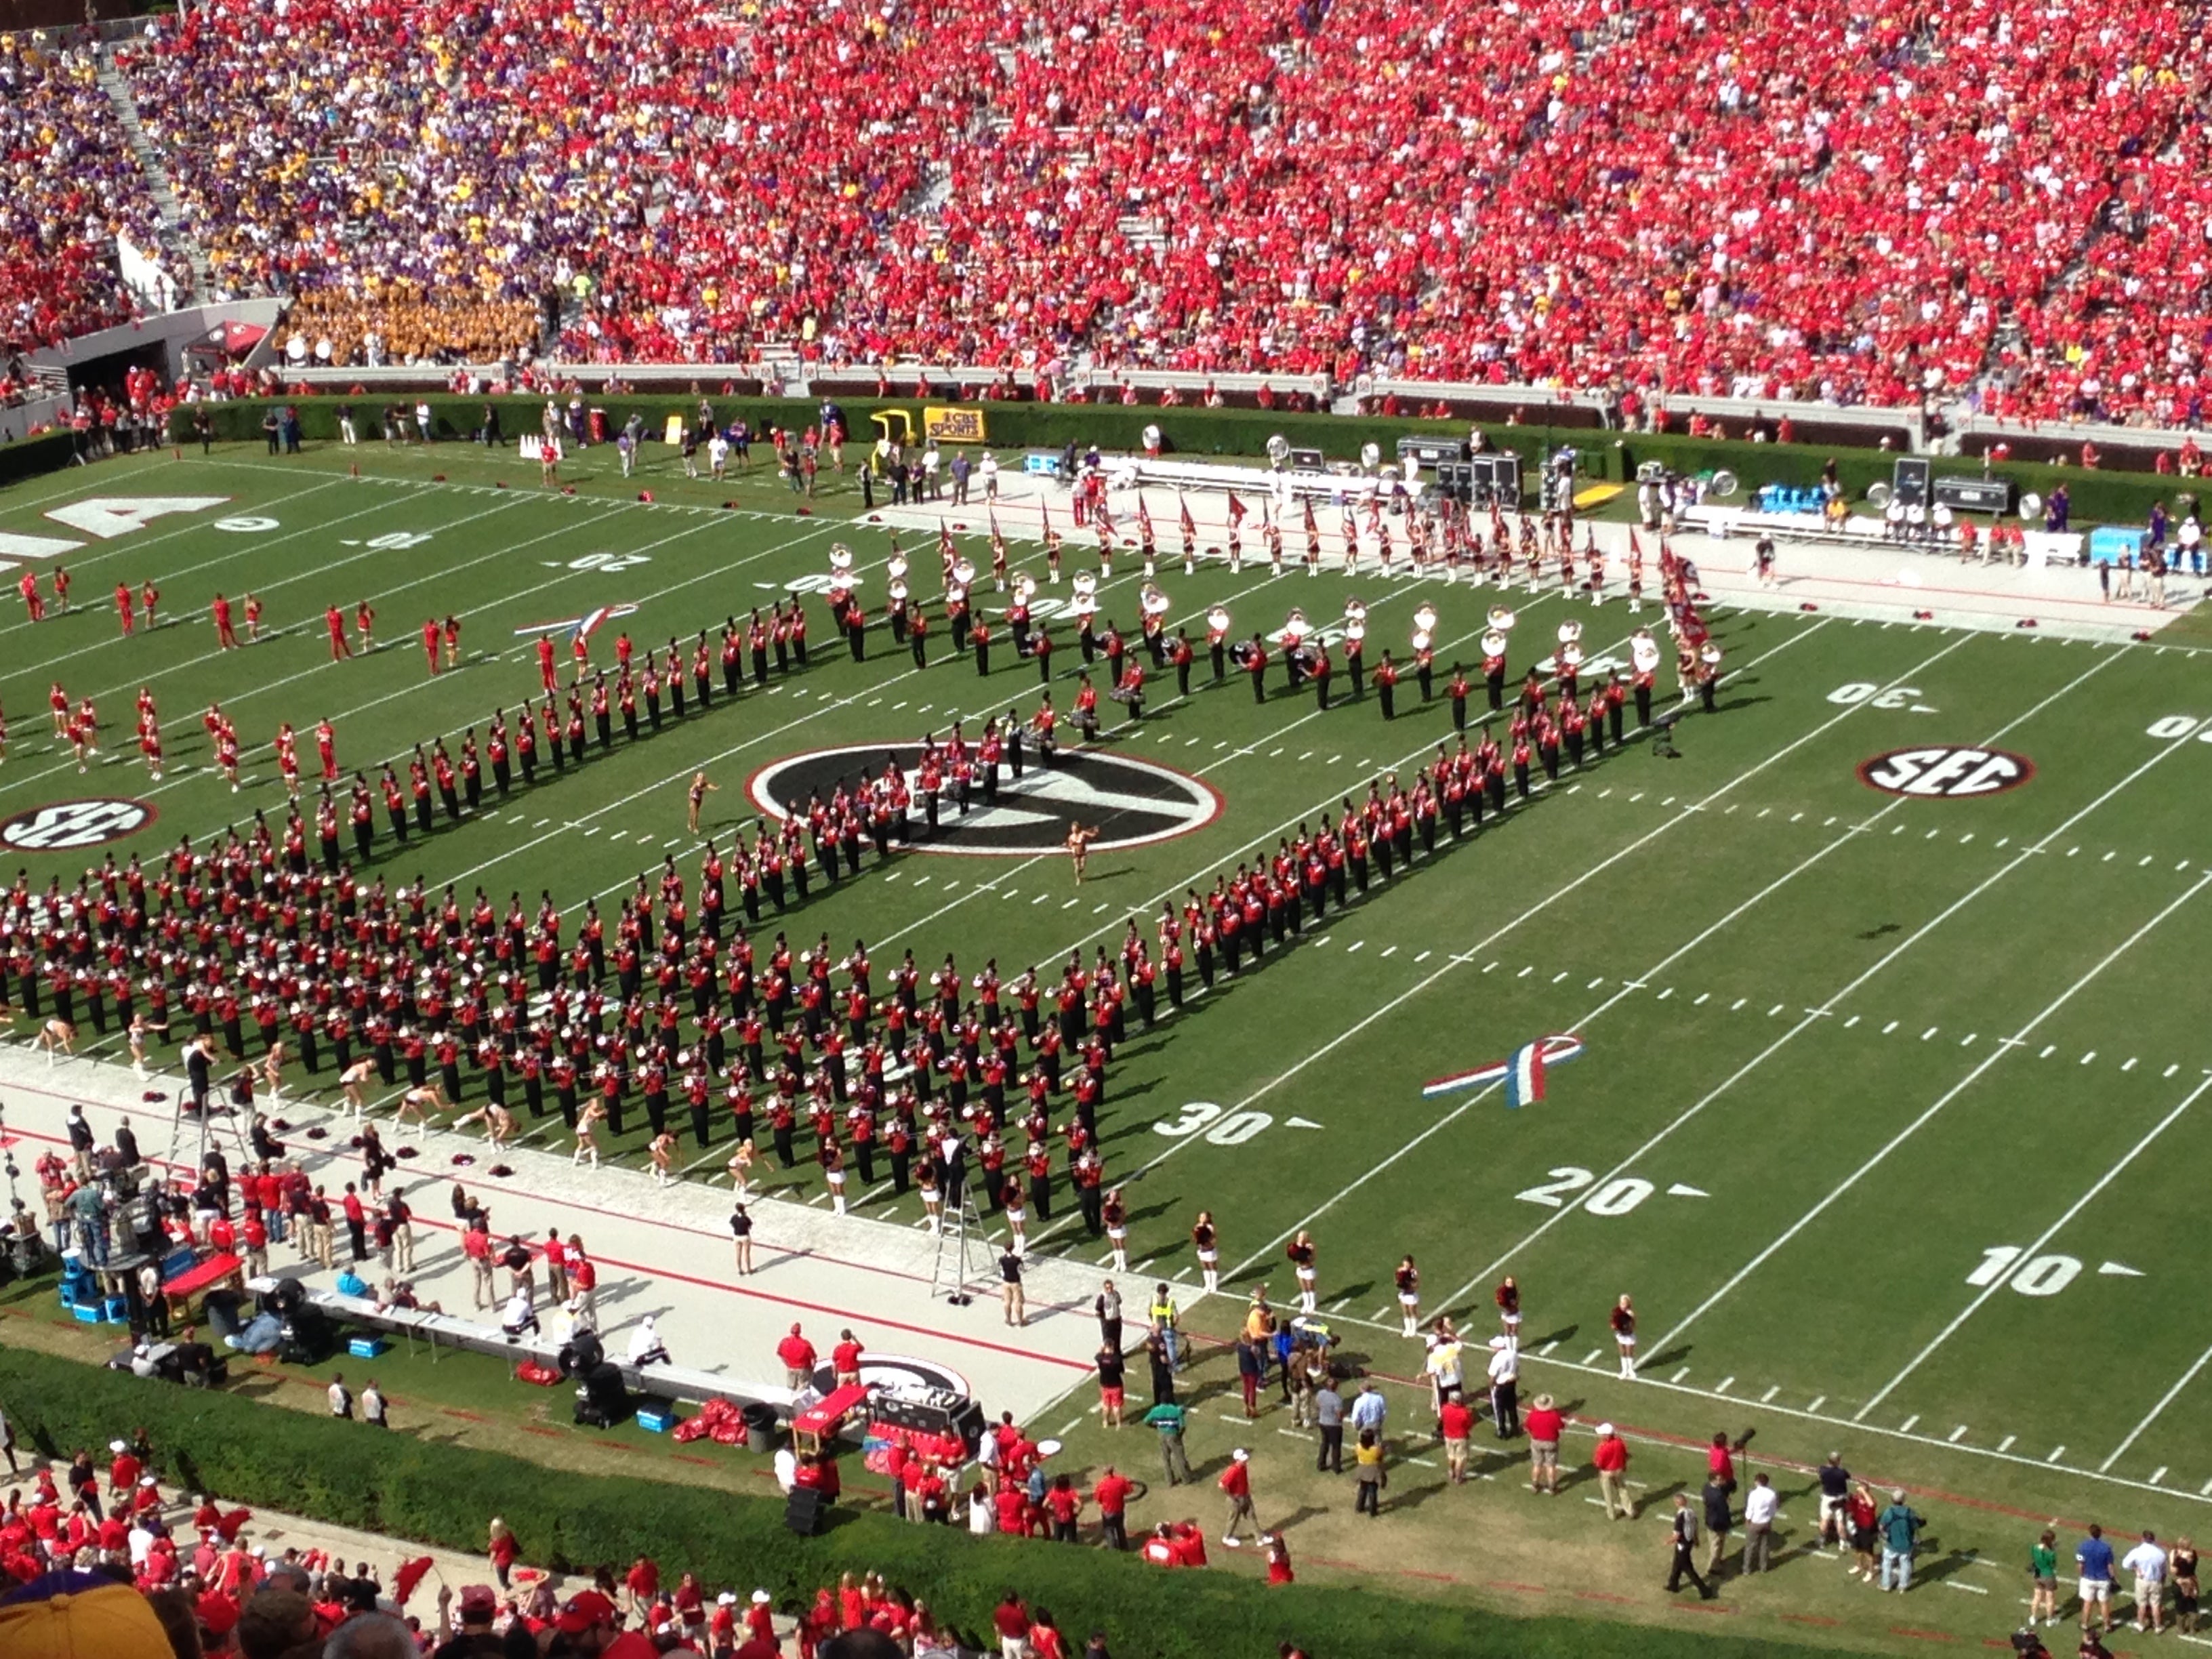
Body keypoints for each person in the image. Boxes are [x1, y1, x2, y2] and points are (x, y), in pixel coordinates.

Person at [1879, 1489, 1927, 1593]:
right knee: (1905, 1564)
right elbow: (1916, 1527)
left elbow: (1881, 1527)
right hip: (1906, 1544)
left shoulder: (1889, 1512)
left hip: (1891, 1543)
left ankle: (1886, 1584)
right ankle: (1903, 1586)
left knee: (1887, 1564)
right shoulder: (1910, 1512)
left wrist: (1884, 1537)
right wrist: (1918, 1538)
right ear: (1904, 1500)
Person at [2123, 1531, 2169, 1634]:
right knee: (2156, 1605)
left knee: (2142, 1604)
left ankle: (2141, 1624)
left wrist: (2135, 1569)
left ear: (2143, 1539)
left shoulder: (2137, 1551)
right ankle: (2158, 1626)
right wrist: (2162, 1582)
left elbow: (2125, 1564)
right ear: (2153, 1540)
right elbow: (2164, 1571)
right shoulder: (2160, 1553)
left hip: (2142, 1581)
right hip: (2156, 1581)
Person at [1142, 1398, 1192, 1486]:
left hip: (1162, 1435)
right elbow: (1182, 1426)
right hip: (1173, 1435)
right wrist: (1179, 1435)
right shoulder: (1176, 1410)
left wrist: (1155, 1426)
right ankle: (1186, 1479)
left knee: (1166, 1459)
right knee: (1180, 1458)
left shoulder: (1156, 1410)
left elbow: (1146, 1421)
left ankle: (1170, 1481)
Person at [1219, 1447, 1261, 1547]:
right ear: (1237, 1460)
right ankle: (1227, 1537)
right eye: (1243, 1459)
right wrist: (1231, 1496)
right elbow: (1222, 1484)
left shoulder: (1243, 1467)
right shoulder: (1233, 1470)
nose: (1246, 1460)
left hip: (1245, 1495)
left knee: (1251, 1515)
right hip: (1236, 1499)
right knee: (1234, 1518)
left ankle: (1260, 1538)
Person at [1523, 1393, 1561, 1493]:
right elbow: (1561, 1426)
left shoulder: (1533, 1415)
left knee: (1537, 1464)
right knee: (1551, 1465)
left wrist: (1532, 1436)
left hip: (1536, 1441)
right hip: (1551, 1442)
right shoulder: (1554, 1415)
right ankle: (1552, 1486)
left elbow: (1527, 1427)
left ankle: (1535, 1485)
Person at [1592, 1422, 1632, 1519]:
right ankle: (1630, 1511)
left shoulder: (1603, 1446)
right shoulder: (1619, 1442)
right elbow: (1625, 1455)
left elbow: (1598, 1463)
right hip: (1619, 1470)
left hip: (1607, 1471)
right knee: (1622, 1489)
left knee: (1608, 1493)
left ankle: (1612, 1515)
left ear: (1606, 1435)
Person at [1742, 1473, 1778, 1572]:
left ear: (1757, 1482)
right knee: (1765, 1546)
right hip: (1766, 1522)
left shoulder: (1753, 1494)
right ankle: (1763, 1567)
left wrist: (1747, 1520)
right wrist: (1769, 1519)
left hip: (1755, 1522)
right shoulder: (1772, 1494)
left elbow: (1750, 1510)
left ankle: (1747, 1568)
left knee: (1750, 1546)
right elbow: (1773, 1510)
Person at [2030, 1529, 2061, 1626]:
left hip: (2038, 1573)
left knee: (2037, 1596)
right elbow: (2053, 1565)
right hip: (2048, 1575)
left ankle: (2033, 1617)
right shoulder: (2051, 1553)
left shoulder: (2035, 1548)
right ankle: (2049, 1620)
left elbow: (2035, 1557)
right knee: (2049, 1597)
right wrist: (2053, 1549)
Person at [1353, 1429, 1386, 1517]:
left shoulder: (1358, 1447)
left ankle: (1359, 1507)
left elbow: (1357, 1454)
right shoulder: (1376, 1450)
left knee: (1362, 1490)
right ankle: (1373, 1511)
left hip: (1362, 1471)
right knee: (1372, 1492)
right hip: (1373, 1472)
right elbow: (1381, 1458)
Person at [999, 1246, 1026, 1326]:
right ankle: (1020, 1321)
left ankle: (1009, 1320)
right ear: (1013, 1249)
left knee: (1007, 1302)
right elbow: (1022, 1270)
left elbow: (1001, 1270)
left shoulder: (1002, 1259)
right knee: (1018, 1302)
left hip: (1006, 1282)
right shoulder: (1017, 1259)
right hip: (1015, 1283)